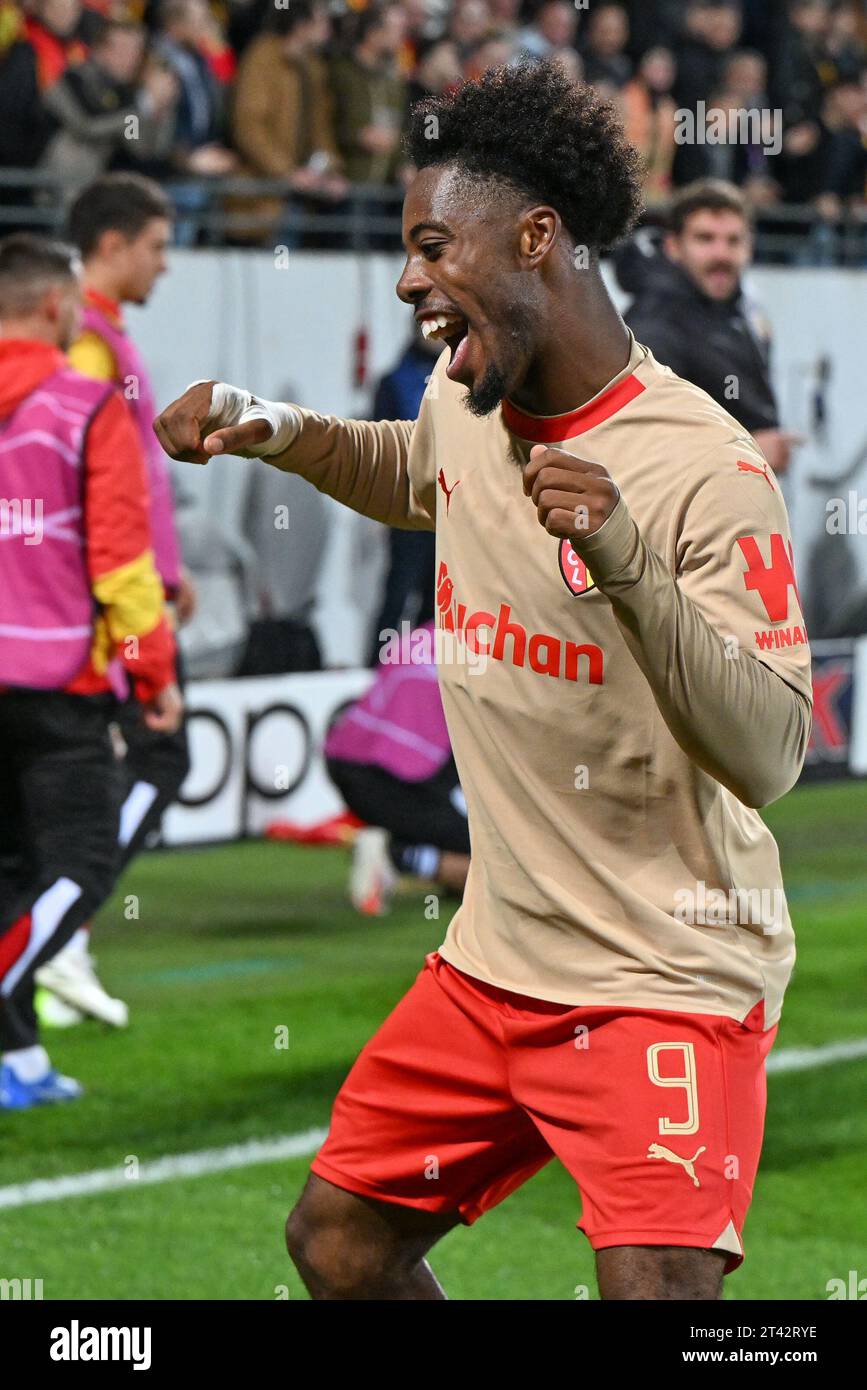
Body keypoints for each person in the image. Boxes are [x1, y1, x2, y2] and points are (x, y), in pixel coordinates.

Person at [156, 62, 812, 1301]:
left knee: (657, 1299)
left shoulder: (701, 470)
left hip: (663, 976)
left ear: (536, 238)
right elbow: (416, 471)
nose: (410, 279)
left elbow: (774, 751)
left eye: (429, 245)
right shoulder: (469, 396)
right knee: (339, 1244)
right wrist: (277, 429)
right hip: (497, 958)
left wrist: (626, 563)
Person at [0, 234, 180, 1108]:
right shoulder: (83, 406)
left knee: (8, 868)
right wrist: (155, 675)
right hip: (58, 682)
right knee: (81, 857)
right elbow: (119, 562)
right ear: (51, 307)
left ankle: (18, 1063)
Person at [34, 175, 193, 1029]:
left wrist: (168, 569)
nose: (165, 264)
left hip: (132, 584)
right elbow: (88, 482)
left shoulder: (102, 334)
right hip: (109, 603)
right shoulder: (87, 343)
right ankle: (64, 931)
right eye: (157, 246)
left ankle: (60, 936)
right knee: (158, 757)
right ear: (112, 245)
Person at [615, 179, 799, 475]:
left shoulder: (740, 311)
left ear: (749, 246)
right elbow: (645, 438)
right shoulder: (654, 323)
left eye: (733, 241)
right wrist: (751, 447)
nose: (721, 255)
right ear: (674, 246)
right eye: (705, 238)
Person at [325, 621, 470, 917]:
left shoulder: (428, 634)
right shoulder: (496, 647)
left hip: (345, 762)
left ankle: (401, 851)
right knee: (499, 852)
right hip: (402, 775)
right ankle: (399, 855)